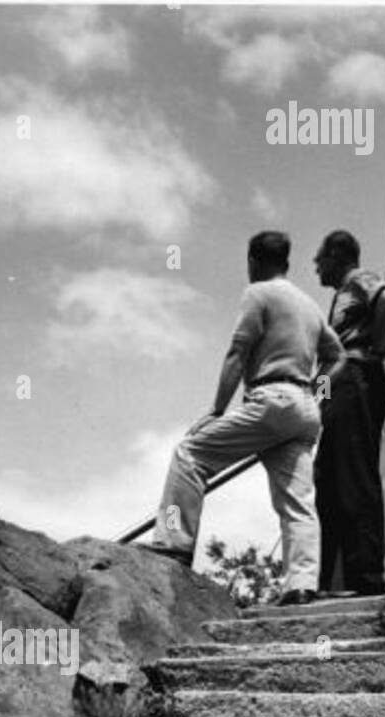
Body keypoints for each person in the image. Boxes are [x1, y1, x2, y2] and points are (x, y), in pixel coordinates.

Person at [146, 230, 344, 606]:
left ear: (253, 260)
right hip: (303, 406)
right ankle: (301, 584)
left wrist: (217, 409)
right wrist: (318, 391)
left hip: (272, 399)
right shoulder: (309, 305)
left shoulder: (259, 293)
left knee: (189, 454)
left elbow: (238, 350)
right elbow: (337, 355)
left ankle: (173, 543)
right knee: (298, 502)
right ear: (286, 262)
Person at [311, 230, 385, 597]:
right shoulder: (338, 296)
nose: (316, 268)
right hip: (338, 384)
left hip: (357, 377)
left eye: (320, 259)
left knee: (354, 474)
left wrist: (376, 347)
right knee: (327, 477)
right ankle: (333, 577)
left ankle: (365, 577)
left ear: (336, 255)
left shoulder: (357, 280)